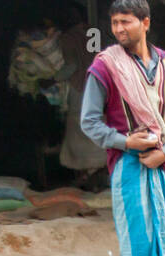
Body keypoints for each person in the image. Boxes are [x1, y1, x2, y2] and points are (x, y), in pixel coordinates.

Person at [80, 0, 165, 256]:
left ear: (145, 23)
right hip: (129, 167)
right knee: (138, 241)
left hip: (161, 165)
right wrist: (126, 142)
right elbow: (89, 121)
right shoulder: (106, 66)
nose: (118, 29)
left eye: (126, 21)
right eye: (115, 23)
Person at [56, 3, 108, 187]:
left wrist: (52, 79)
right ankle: (98, 172)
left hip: (81, 89)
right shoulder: (93, 32)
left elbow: (71, 67)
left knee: (80, 131)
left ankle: (86, 175)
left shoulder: (67, 38)